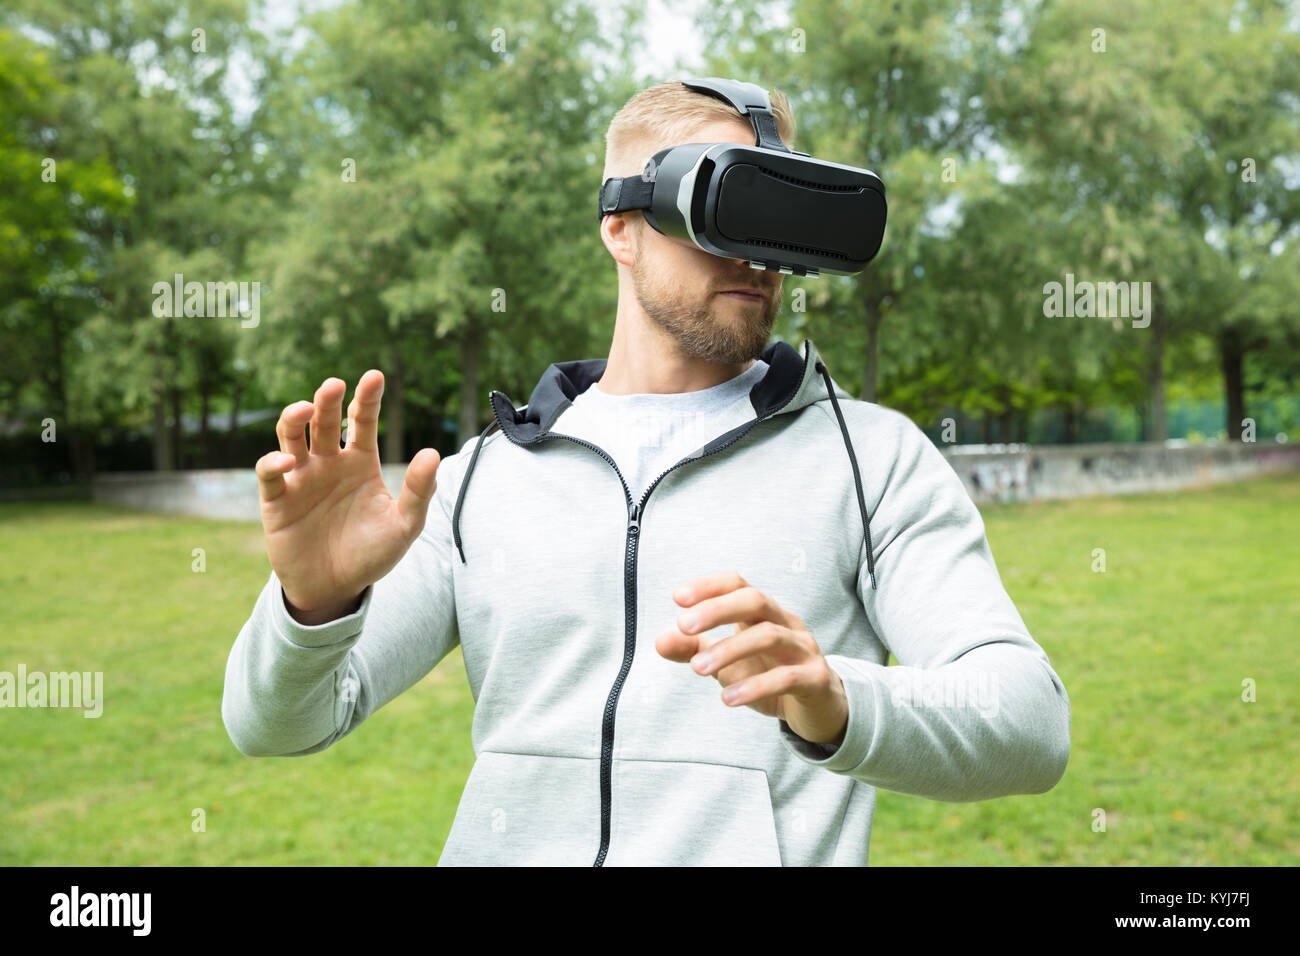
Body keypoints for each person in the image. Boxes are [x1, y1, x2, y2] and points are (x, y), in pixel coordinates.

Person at [221, 79, 1071, 866]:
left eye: (780, 217)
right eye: (726, 207)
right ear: (620, 227)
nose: (758, 257)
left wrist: (835, 698)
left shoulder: (870, 459)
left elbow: (1029, 724)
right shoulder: (481, 477)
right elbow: (274, 726)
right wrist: (313, 607)